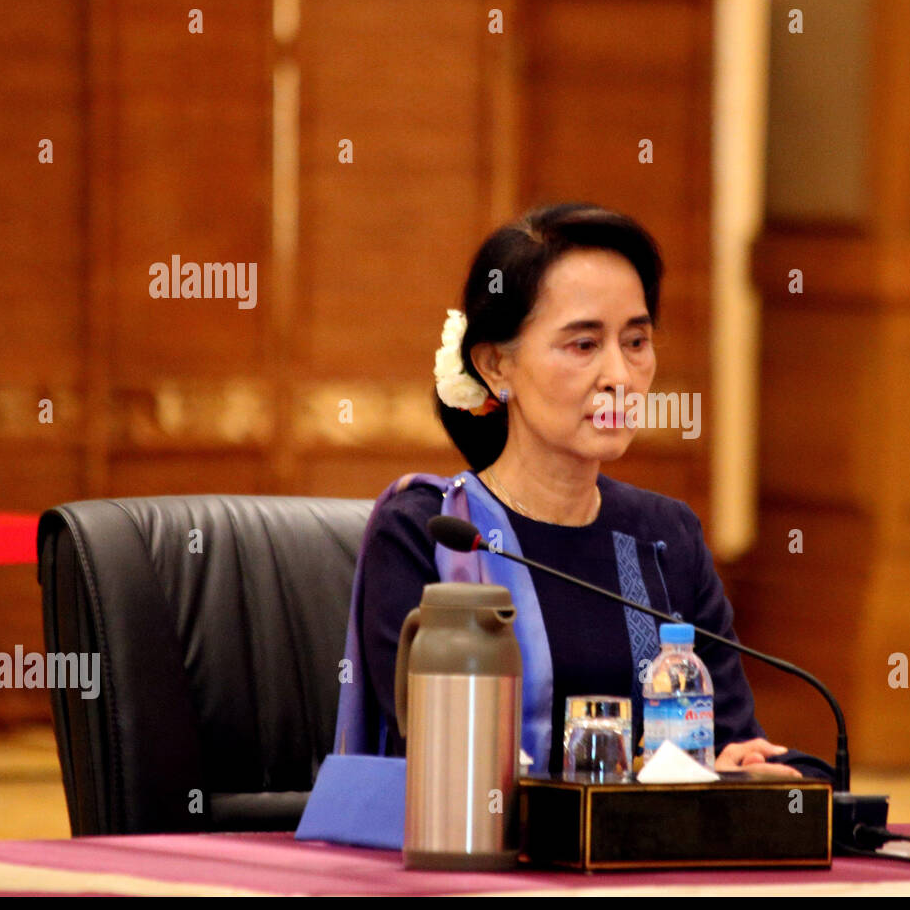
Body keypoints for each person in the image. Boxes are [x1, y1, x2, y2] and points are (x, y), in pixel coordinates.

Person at [339, 202, 832, 783]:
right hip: (478, 860)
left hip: (644, 862)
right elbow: (440, 763)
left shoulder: (666, 537)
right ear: (496, 364)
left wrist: (755, 773)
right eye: (583, 345)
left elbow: (736, 745)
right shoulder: (433, 532)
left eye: (636, 342)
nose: (620, 377)